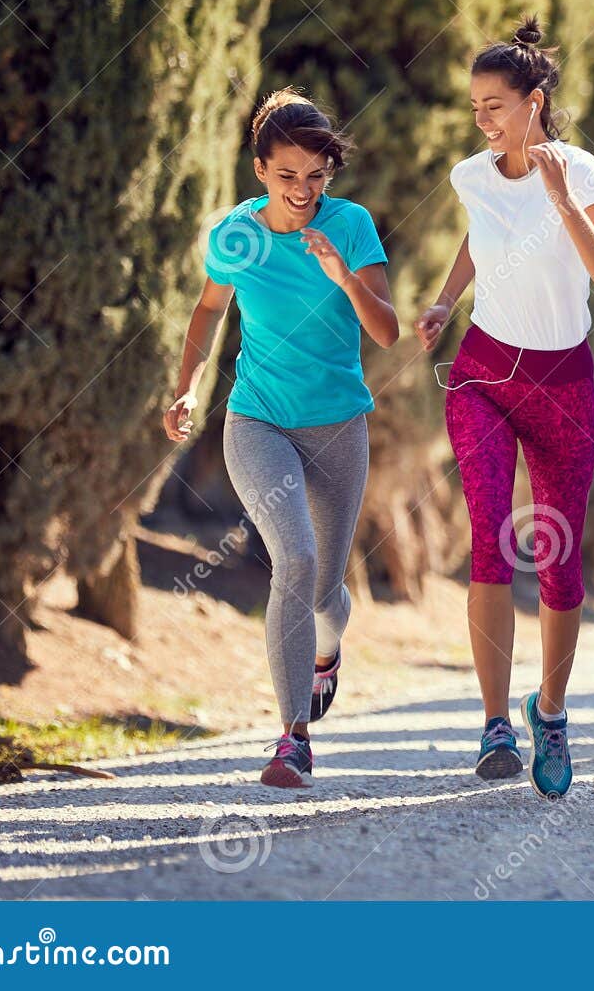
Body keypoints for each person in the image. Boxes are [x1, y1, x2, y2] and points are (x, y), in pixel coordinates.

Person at [416, 14, 594, 800]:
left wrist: (562, 198)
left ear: (534, 100)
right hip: (480, 376)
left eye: (494, 103)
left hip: (561, 383)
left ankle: (553, 709)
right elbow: (478, 237)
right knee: (488, 538)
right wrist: (444, 302)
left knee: (559, 553)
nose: (482, 117)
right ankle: (494, 722)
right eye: (475, 105)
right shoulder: (471, 176)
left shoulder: (584, 171)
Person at [164, 88, 398, 789]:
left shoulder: (351, 226)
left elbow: (386, 330)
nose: (303, 190)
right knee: (292, 557)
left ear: (331, 174)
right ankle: (293, 736)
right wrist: (188, 385)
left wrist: (343, 277)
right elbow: (208, 312)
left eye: (316, 176)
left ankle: (328, 646)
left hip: (338, 424)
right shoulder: (233, 234)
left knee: (326, 585)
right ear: (260, 167)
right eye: (288, 174)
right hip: (256, 417)